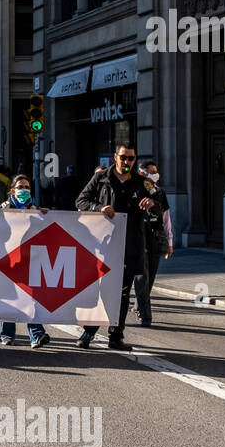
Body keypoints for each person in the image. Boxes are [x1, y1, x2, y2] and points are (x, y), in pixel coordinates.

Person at [75, 141, 157, 351]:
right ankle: (89, 331)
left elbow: (160, 202)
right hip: (103, 245)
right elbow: (81, 201)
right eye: (123, 158)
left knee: (122, 293)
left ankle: (116, 336)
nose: (127, 162)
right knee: (101, 290)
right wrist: (99, 208)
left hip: (131, 245)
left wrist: (151, 203)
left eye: (131, 158)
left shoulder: (143, 182)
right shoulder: (101, 178)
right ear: (115, 157)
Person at [0, 175, 52, 349]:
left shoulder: (33, 208)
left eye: (27, 187)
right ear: (12, 190)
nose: (25, 190)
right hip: (9, 257)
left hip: (29, 258)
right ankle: (7, 334)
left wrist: (43, 216)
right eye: (21, 187)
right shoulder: (3, 208)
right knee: (10, 297)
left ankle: (36, 335)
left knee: (31, 297)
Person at [132, 161, 173, 327]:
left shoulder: (160, 192)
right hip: (139, 238)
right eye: (152, 171)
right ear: (143, 173)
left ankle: (138, 305)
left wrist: (169, 242)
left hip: (155, 238)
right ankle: (145, 315)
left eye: (156, 171)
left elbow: (166, 219)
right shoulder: (135, 190)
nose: (156, 174)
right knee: (142, 277)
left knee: (151, 277)